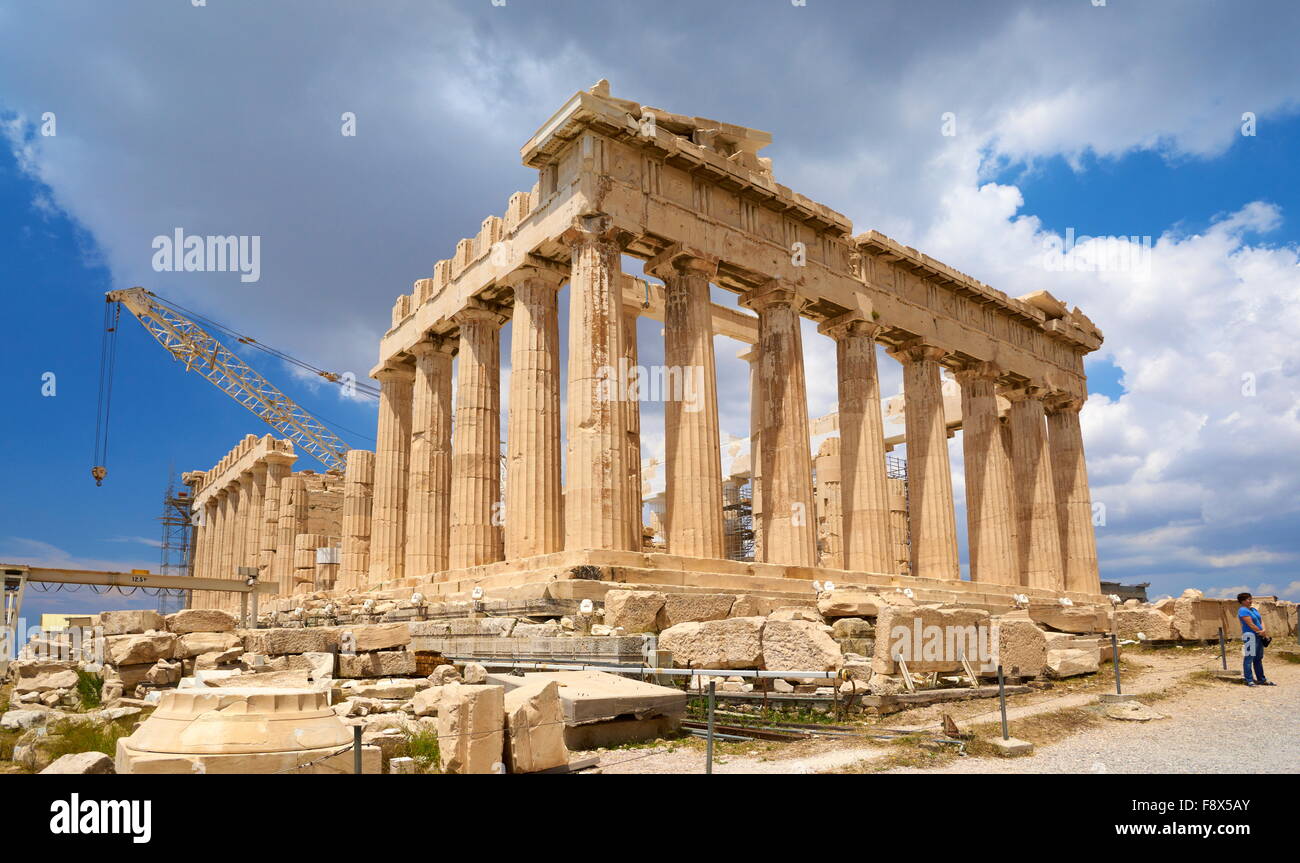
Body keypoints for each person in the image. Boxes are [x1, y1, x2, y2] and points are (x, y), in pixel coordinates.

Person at [1237, 592, 1275, 687]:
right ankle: (1249, 680)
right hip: (1250, 635)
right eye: (1248, 599)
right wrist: (1261, 631)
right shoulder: (1243, 611)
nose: (1250, 601)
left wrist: (1264, 630)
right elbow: (1250, 624)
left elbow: (1260, 620)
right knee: (1249, 658)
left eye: (1250, 599)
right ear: (1242, 601)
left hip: (1259, 635)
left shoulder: (1253, 609)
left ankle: (1261, 679)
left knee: (1258, 659)